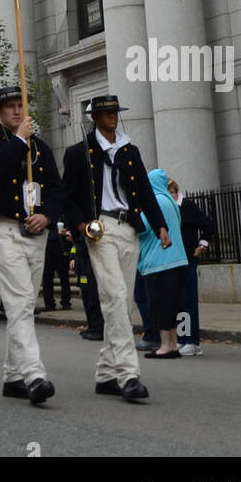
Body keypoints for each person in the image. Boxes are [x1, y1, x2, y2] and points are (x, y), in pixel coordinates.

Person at [61, 94, 169, 402]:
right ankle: (128, 374)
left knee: (122, 304)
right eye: (106, 112)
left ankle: (105, 373)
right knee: (116, 295)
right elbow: (67, 196)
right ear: (94, 117)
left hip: (128, 228)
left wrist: (160, 224)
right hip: (100, 230)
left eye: (114, 112)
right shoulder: (79, 152)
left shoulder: (129, 150)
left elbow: (146, 191)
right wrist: (80, 225)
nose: (112, 117)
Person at [0, 84, 62, 404]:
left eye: (20, 105)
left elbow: (55, 190)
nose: (16, 111)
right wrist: (20, 140)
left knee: (22, 304)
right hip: (5, 230)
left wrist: (47, 216)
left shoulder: (41, 148)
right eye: (9, 106)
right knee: (21, 301)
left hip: (35, 234)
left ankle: (12, 375)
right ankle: (34, 375)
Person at [137, 169, 188, 358]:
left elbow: (141, 229)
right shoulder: (171, 201)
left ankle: (165, 345)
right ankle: (173, 344)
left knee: (158, 305)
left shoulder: (155, 202)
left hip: (158, 261)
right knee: (172, 304)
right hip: (177, 259)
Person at [167, 177, 215, 355]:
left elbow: (208, 224)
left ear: (176, 191)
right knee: (179, 300)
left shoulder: (186, 206)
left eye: (171, 192)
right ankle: (183, 337)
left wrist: (202, 245)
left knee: (188, 300)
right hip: (176, 259)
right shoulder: (169, 209)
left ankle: (193, 341)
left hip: (187, 258)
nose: (169, 196)